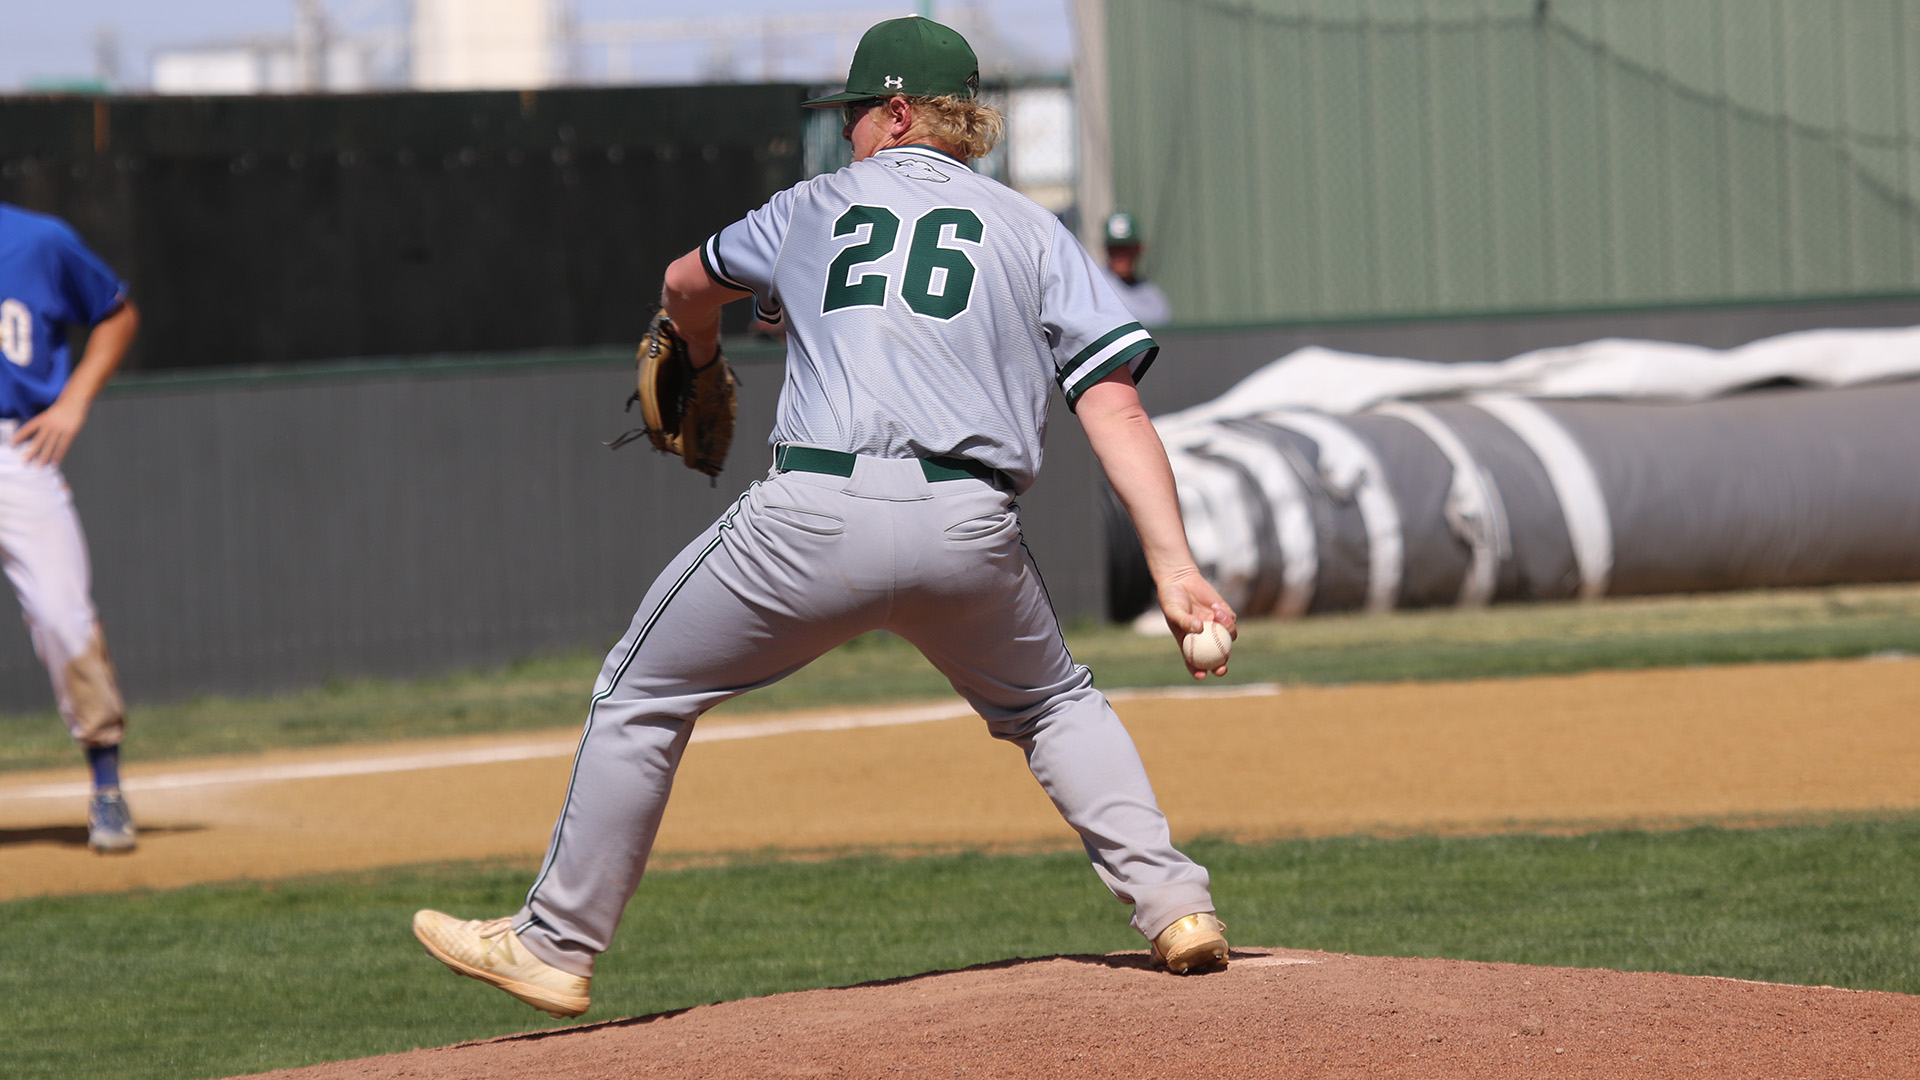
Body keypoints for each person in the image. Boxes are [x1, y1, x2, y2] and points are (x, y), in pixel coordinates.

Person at [412, 15, 1238, 1019]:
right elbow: (1114, 402)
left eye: (855, 113)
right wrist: (1176, 568)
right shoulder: (1032, 229)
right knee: (1054, 705)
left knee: (639, 694)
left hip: (811, 518)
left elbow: (684, 282)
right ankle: (1176, 907)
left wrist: (704, 354)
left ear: (896, 112)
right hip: (968, 526)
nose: (846, 131)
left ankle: (554, 941)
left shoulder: (815, 206)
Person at [0, 203, 140, 854]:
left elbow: (116, 311)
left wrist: (74, 400)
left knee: (63, 616)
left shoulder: (38, 240)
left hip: (17, 450)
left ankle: (106, 784)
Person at [1099, 210, 1172, 327]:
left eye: (1126, 248)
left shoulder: (1153, 296)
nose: (1121, 255)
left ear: (1139, 249)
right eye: (1114, 249)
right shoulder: (1095, 286)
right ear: (1105, 250)